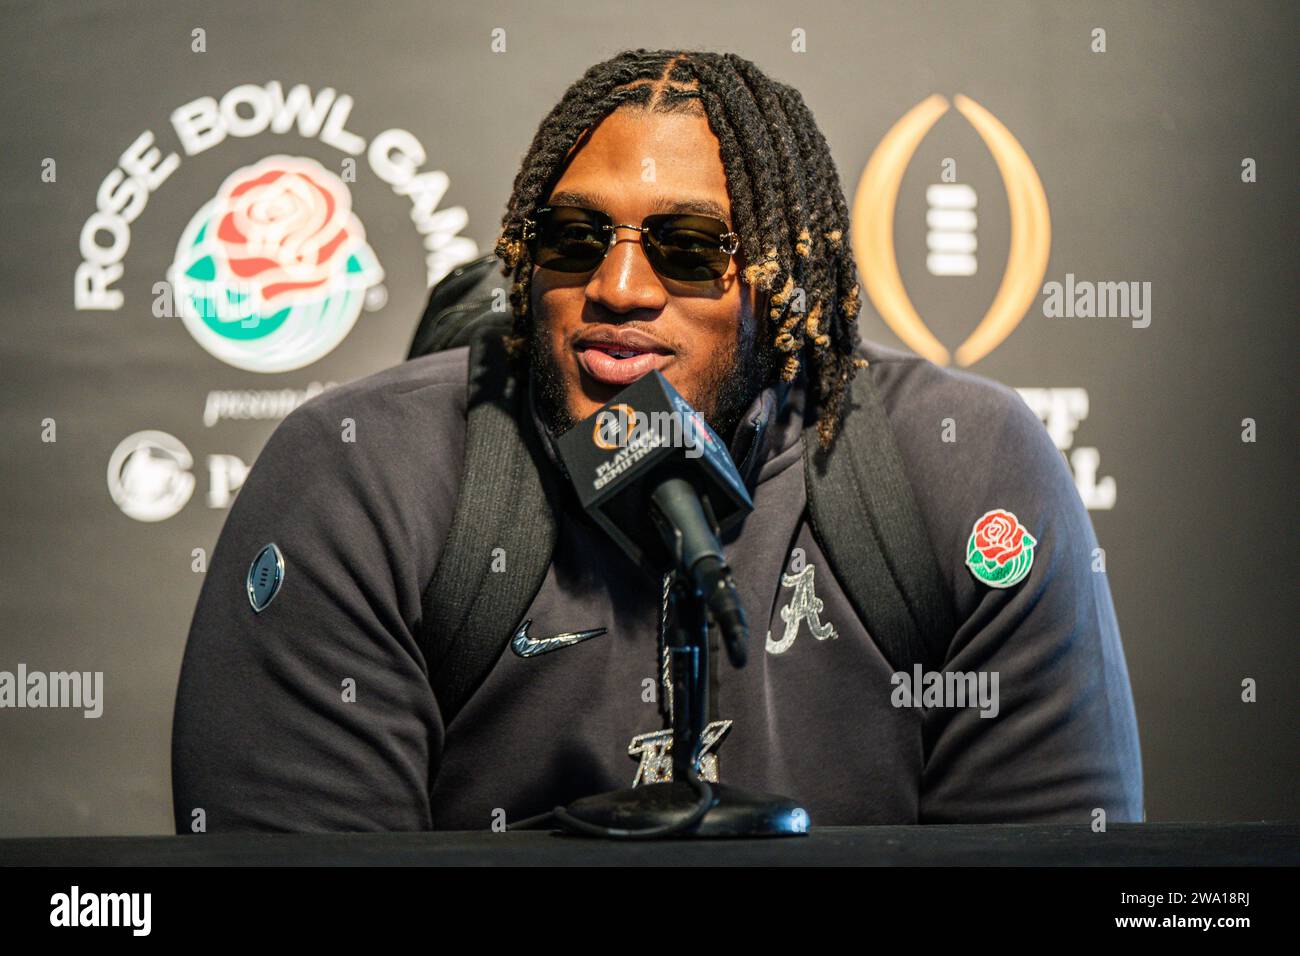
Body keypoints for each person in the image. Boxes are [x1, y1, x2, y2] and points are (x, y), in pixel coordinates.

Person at [171, 49, 1143, 832]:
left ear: (783, 284)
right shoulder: (360, 473)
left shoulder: (960, 468)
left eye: (685, 248)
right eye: (573, 238)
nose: (619, 288)